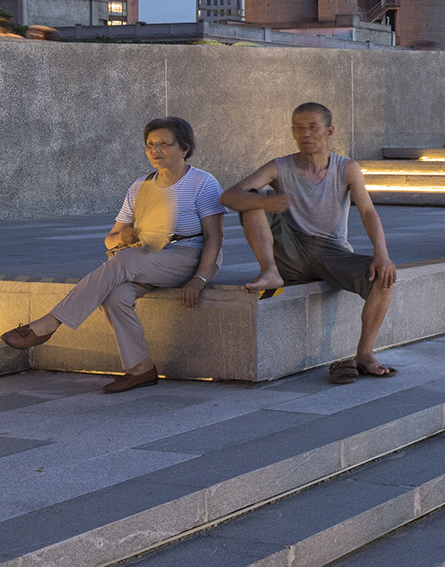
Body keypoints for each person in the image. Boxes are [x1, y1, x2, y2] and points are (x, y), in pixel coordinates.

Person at [3, 117, 225, 392]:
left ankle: (49, 323)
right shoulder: (140, 186)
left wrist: (200, 279)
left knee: (124, 261)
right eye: (150, 144)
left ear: (184, 148)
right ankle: (140, 368)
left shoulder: (203, 183)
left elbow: (215, 238)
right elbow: (111, 239)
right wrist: (124, 237)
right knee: (115, 294)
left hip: (189, 256)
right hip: (146, 258)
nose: (156, 150)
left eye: (164, 144)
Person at [220, 102, 400, 383]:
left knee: (384, 279)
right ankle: (269, 272)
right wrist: (265, 202)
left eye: (313, 127)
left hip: (332, 252)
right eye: (299, 127)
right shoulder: (280, 166)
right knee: (253, 199)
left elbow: (367, 211)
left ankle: (365, 354)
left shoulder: (347, 168)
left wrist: (382, 254)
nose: (305, 133)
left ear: (329, 132)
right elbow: (229, 196)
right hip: (290, 252)